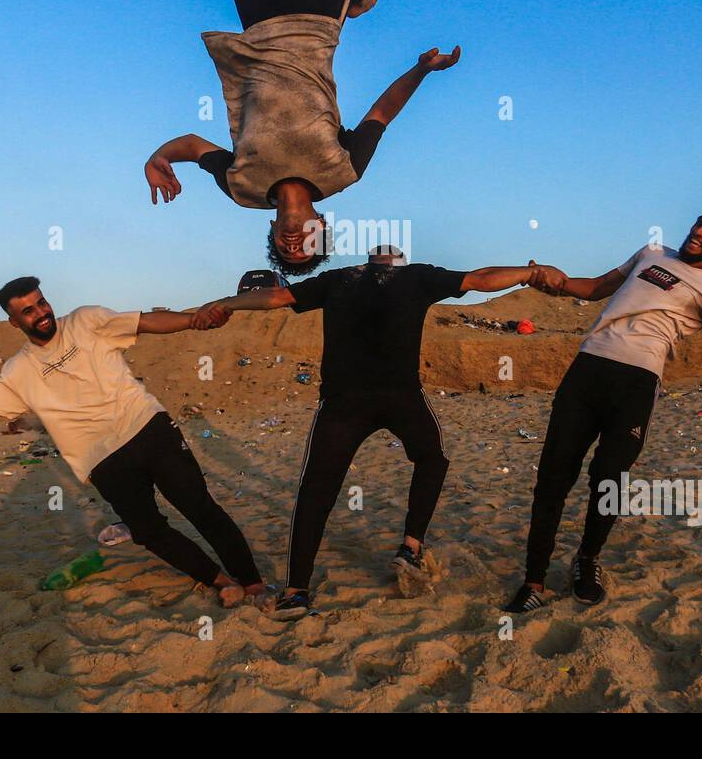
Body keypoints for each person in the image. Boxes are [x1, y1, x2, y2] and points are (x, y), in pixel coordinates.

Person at [194, 246, 540, 620]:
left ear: (369, 260)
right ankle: (410, 545)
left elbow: (277, 295)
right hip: (401, 396)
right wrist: (527, 273)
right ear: (399, 259)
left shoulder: (339, 278)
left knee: (316, 490)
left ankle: (297, 592)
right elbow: (480, 279)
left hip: (344, 402)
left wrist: (226, 301)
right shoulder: (418, 276)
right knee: (432, 459)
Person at [0, 277, 265, 608]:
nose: (41, 314)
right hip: (101, 459)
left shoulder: (86, 320)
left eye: (41, 303)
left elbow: (145, 321)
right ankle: (221, 581)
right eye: (29, 312)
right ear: (14, 321)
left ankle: (254, 584)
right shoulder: (18, 371)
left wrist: (192, 321)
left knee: (199, 507)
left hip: (147, 427)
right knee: (148, 531)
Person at [143, 0, 461, 276]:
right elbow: (382, 113)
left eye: (286, 248)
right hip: (317, 20)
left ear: (274, 233)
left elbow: (193, 146)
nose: (295, 243)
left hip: (260, 24)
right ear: (321, 228)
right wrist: (422, 70)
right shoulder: (343, 171)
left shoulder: (242, 187)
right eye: (308, 245)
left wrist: (158, 157)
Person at [504, 206, 702, 613]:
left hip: (638, 383)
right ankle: (533, 580)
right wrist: (554, 282)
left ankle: (587, 560)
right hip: (587, 369)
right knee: (553, 476)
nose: (699, 232)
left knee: (609, 479)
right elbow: (592, 289)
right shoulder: (652, 253)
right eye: (700, 222)